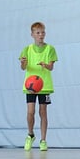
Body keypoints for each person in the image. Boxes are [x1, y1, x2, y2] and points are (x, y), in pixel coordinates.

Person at [20, 21, 57, 151]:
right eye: (38, 33)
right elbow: (23, 67)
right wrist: (23, 63)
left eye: (43, 32)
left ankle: (43, 140)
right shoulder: (27, 49)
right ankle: (30, 135)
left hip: (44, 85)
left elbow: (51, 67)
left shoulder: (50, 49)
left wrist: (45, 65)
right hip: (31, 85)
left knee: (43, 112)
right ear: (32, 34)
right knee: (30, 112)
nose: (41, 35)